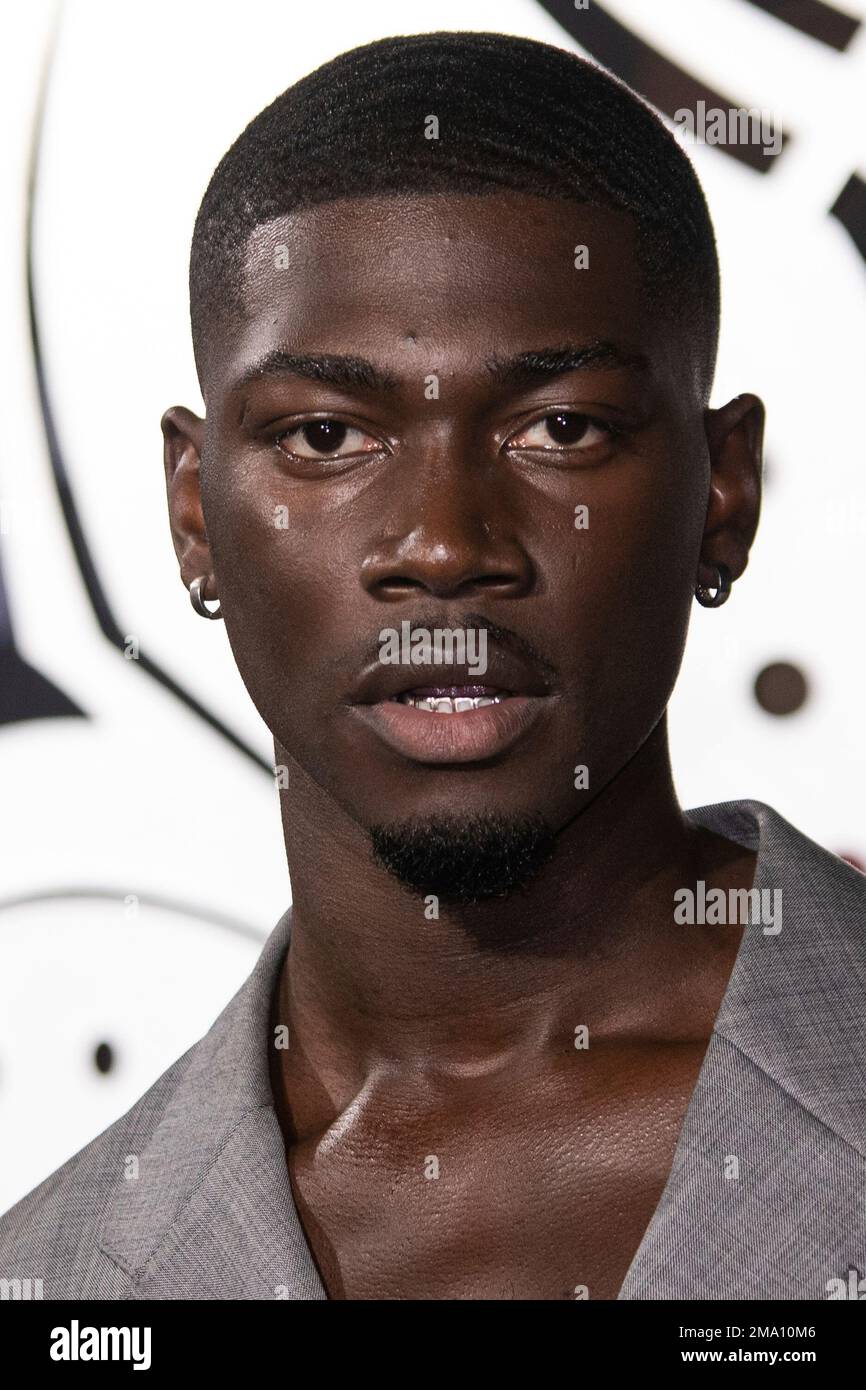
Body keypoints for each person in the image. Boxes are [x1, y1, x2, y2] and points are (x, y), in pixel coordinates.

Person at [2, 30, 864, 1302]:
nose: (445, 545)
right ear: (196, 515)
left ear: (719, 491)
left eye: (558, 426)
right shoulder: (57, 1282)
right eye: (326, 434)